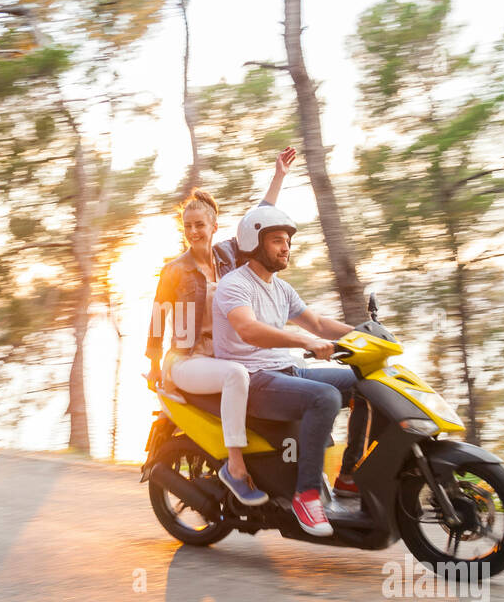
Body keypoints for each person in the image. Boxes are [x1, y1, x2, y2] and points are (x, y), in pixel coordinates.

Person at [147, 149, 300, 505]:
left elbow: (260, 219)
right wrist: (155, 366)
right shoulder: (174, 271)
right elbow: (156, 320)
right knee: (237, 376)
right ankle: (235, 467)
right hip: (188, 360)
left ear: (215, 227)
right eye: (187, 226)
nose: (194, 231)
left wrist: (278, 176)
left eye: (200, 225)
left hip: (223, 355)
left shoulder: (230, 256)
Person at [212, 197, 368, 538]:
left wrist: (365, 334)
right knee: (324, 398)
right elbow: (249, 330)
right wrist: (303, 342)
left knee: (366, 385)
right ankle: (306, 495)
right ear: (255, 243)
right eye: (277, 241)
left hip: (286, 371)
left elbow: (318, 323)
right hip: (253, 380)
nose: (286, 248)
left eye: (288, 241)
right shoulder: (234, 285)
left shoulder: (281, 288)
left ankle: (349, 476)